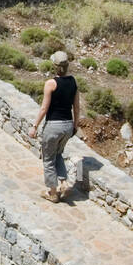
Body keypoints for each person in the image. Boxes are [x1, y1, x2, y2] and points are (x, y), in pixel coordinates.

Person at [27, 50, 79, 202]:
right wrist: (75, 126)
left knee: (48, 158)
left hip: (53, 126)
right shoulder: (73, 82)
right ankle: (64, 183)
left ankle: (53, 192)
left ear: (54, 66)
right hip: (68, 126)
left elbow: (44, 108)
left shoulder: (51, 84)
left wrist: (35, 126)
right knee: (58, 154)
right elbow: (76, 107)